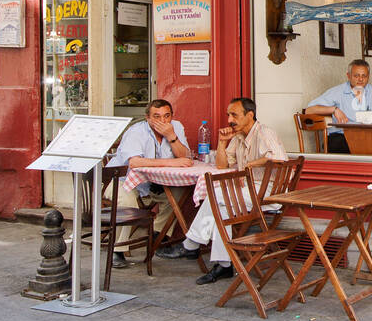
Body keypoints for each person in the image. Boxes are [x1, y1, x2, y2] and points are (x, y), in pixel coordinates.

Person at [155, 97, 287, 284]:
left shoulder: (265, 132)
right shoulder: (239, 136)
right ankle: (224, 265)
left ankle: (190, 244)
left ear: (250, 115)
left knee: (217, 195)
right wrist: (223, 142)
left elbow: (279, 158)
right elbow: (221, 166)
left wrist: (250, 165)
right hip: (249, 190)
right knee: (221, 208)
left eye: (234, 115)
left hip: (269, 192)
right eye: (228, 115)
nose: (230, 120)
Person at [106, 98, 194, 268]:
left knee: (177, 194)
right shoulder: (136, 131)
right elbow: (134, 163)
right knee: (128, 203)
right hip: (122, 180)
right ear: (147, 118)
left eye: (167, 116)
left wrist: (171, 136)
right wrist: (171, 163)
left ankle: (158, 236)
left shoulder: (176, 127)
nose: (163, 121)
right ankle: (118, 249)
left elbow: (185, 156)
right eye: (157, 116)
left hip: (153, 183)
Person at [305, 60, 372, 153]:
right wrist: (334, 109)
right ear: (348, 76)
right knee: (358, 151)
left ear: (368, 77)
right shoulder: (337, 91)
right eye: (356, 76)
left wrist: (370, 117)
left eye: (364, 76)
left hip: (367, 136)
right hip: (341, 136)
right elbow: (309, 110)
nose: (360, 79)